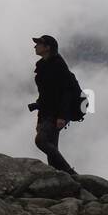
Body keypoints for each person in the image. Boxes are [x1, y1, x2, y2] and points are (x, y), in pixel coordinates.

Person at [28, 34, 79, 175]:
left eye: (39, 43)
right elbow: (44, 95)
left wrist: (62, 116)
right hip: (48, 112)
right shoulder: (42, 66)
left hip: (59, 112)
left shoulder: (58, 65)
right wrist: (39, 119)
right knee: (51, 146)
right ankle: (60, 181)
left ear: (47, 47)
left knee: (41, 141)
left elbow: (66, 92)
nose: (35, 46)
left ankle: (70, 174)